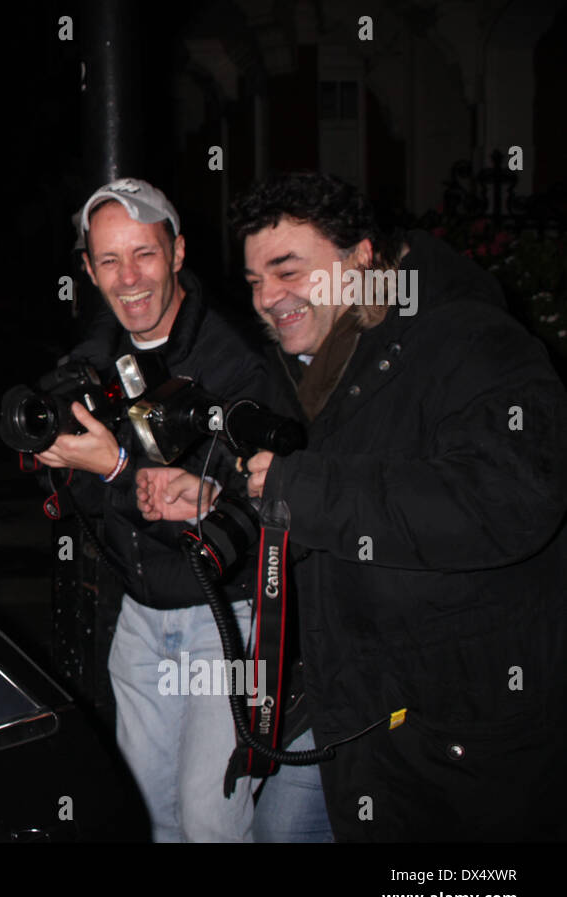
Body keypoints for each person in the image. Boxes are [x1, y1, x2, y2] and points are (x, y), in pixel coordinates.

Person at [224, 172, 567, 841]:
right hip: (350, 713)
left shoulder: (468, 341)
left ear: (360, 258)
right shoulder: (315, 368)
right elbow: (314, 510)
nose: (268, 298)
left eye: (287, 269)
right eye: (254, 280)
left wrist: (307, 491)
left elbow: (512, 499)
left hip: (457, 743)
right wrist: (223, 503)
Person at [36, 178, 270, 841]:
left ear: (177, 252)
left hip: (225, 612)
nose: (128, 277)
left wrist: (115, 466)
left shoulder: (234, 360)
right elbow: (82, 499)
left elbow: (255, 511)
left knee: (210, 822)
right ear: (87, 269)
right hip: (141, 614)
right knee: (146, 820)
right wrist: (60, 464)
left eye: (144, 253)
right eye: (108, 260)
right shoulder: (93, 358)